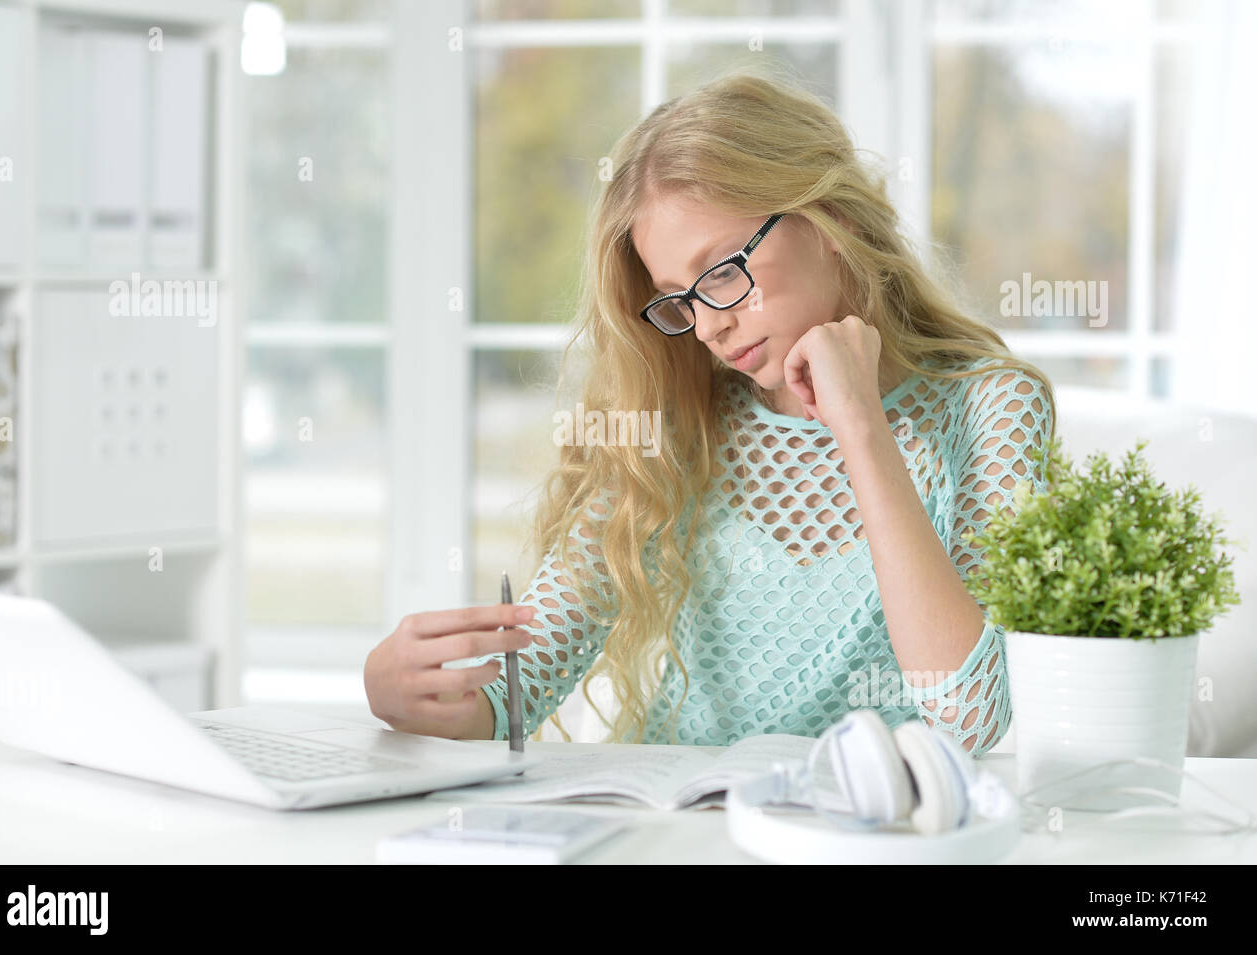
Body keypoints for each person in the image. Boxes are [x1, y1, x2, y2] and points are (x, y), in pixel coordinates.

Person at [364, 67, 1057, 755]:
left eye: (723, 270)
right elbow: (513, 695)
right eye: (679, 298)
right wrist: (397, 690)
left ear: (831, 222)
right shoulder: (677, 417)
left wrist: (862, 426)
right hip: (682, 829)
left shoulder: (991, 406)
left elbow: (969, 715)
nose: (706, 327)